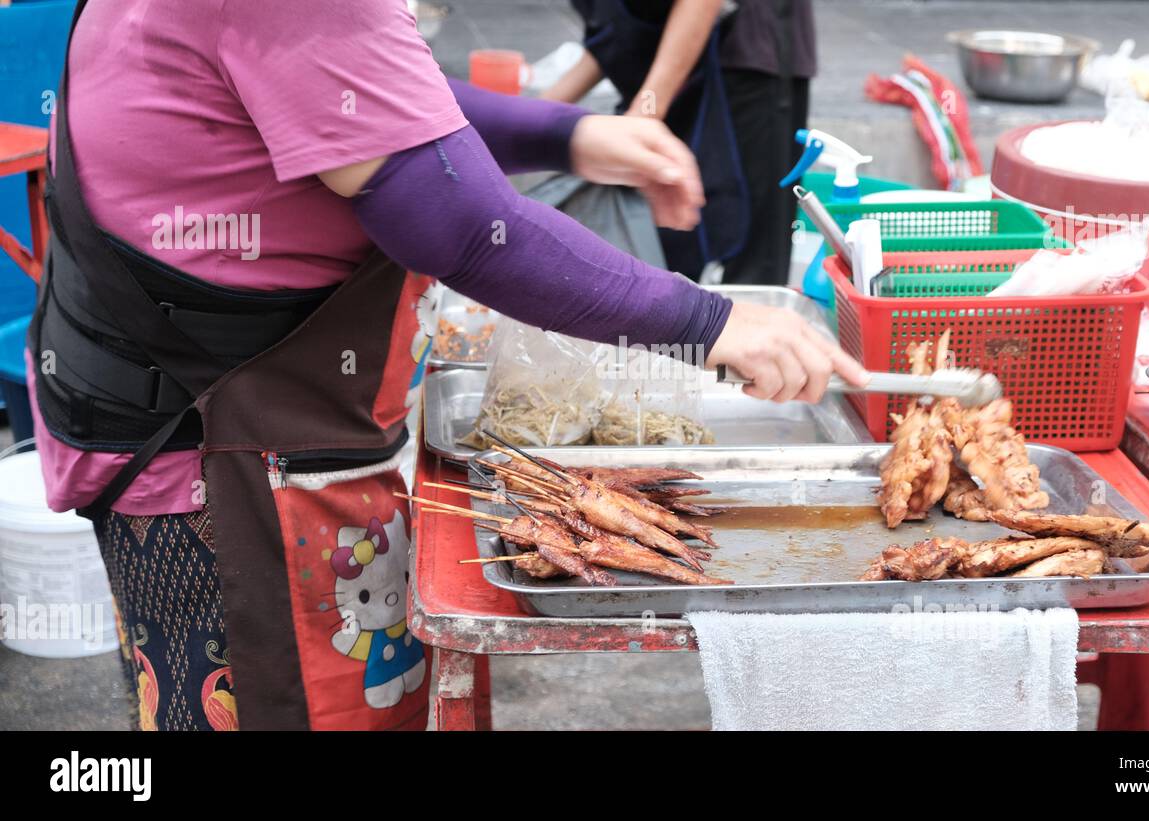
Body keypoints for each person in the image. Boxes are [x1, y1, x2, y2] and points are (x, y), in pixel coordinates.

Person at [28, 0, 867, 731]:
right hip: (220, 464)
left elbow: (361, 91)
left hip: (217, 422)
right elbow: (459, 225)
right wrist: (707, 321)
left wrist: (566, 134)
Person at [544, 0, 817, 286]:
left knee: (752, 267)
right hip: (667, 70)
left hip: (746, 62)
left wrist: (644, 115)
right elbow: (613, 34)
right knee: (668, 252)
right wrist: (531, 115)